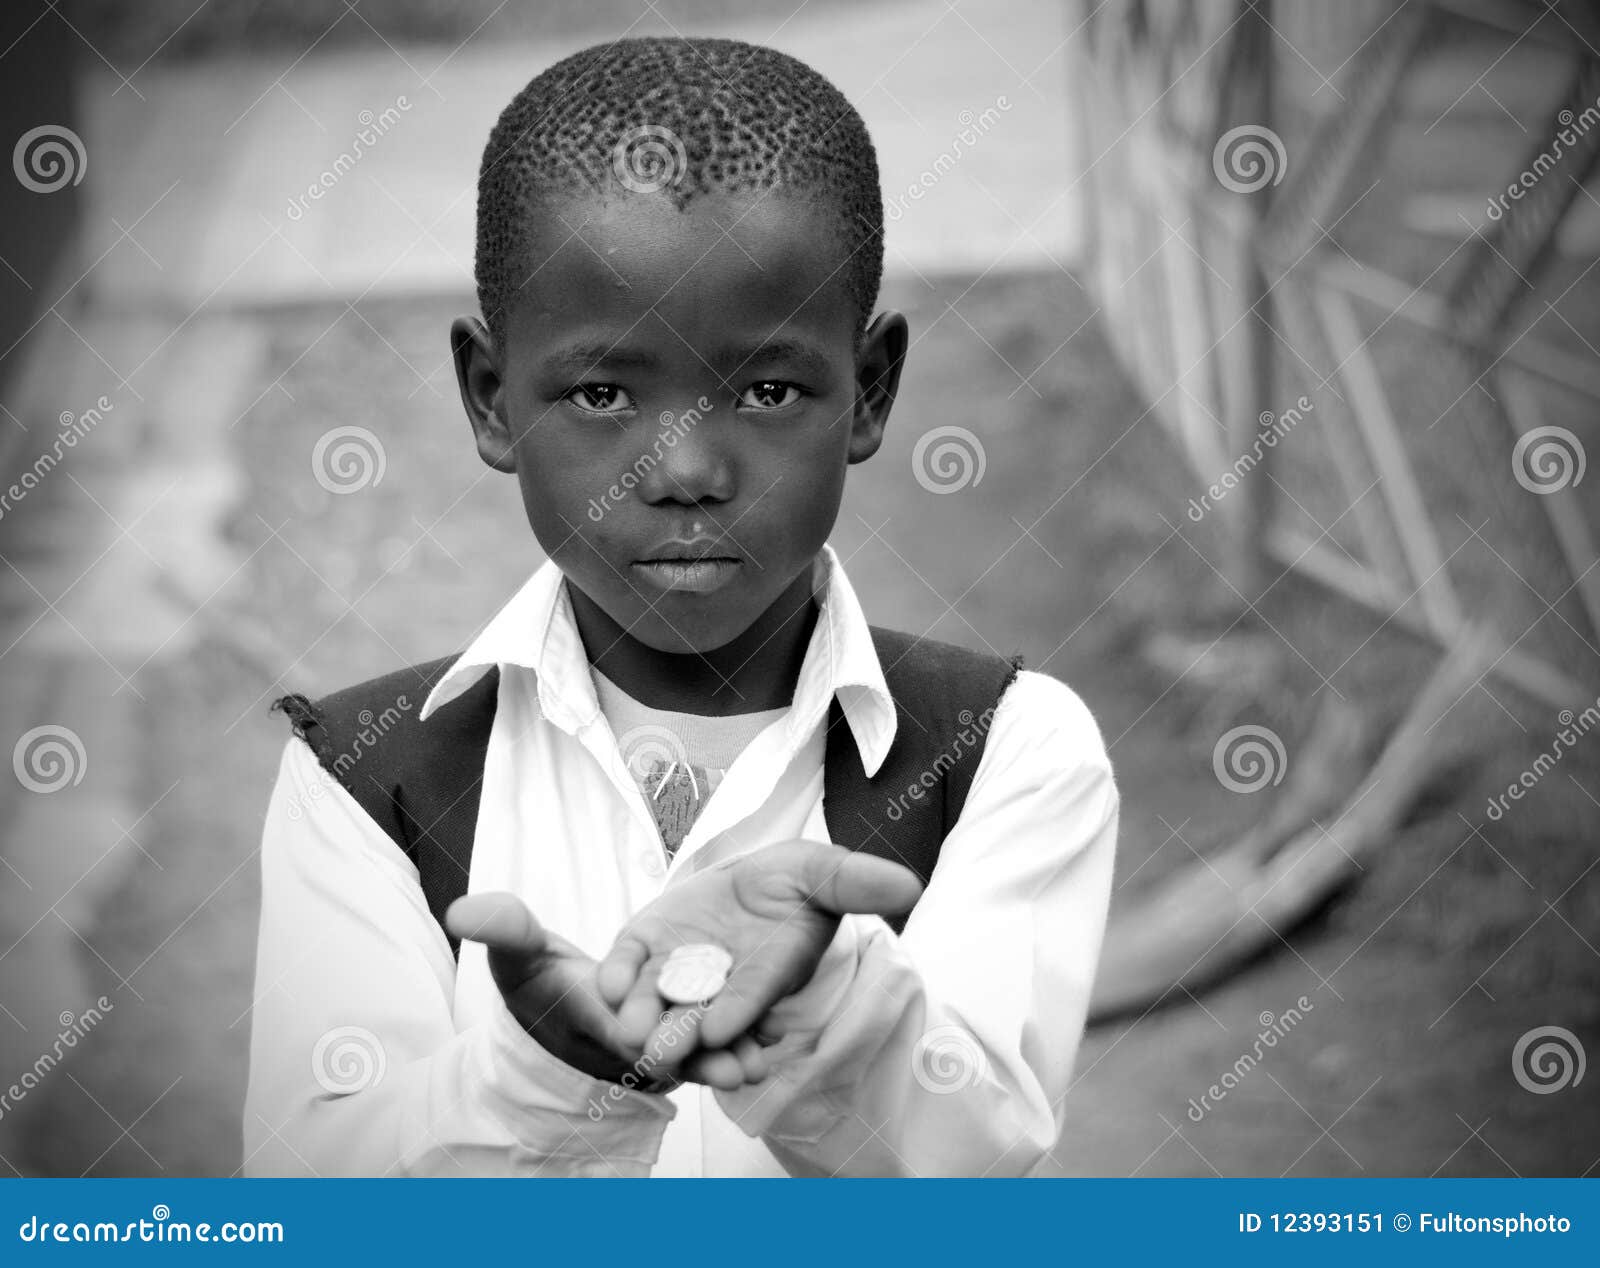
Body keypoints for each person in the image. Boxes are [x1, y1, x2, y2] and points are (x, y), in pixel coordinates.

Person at [243, 35, 1118, 1178]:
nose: (687, 468)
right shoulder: (367, 783)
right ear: (490, 397)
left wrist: (822, 1019)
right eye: (603, 391)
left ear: (872, 390)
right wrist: (552, 1075)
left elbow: (972, 1165)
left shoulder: (1002, 753)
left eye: (767, 388)